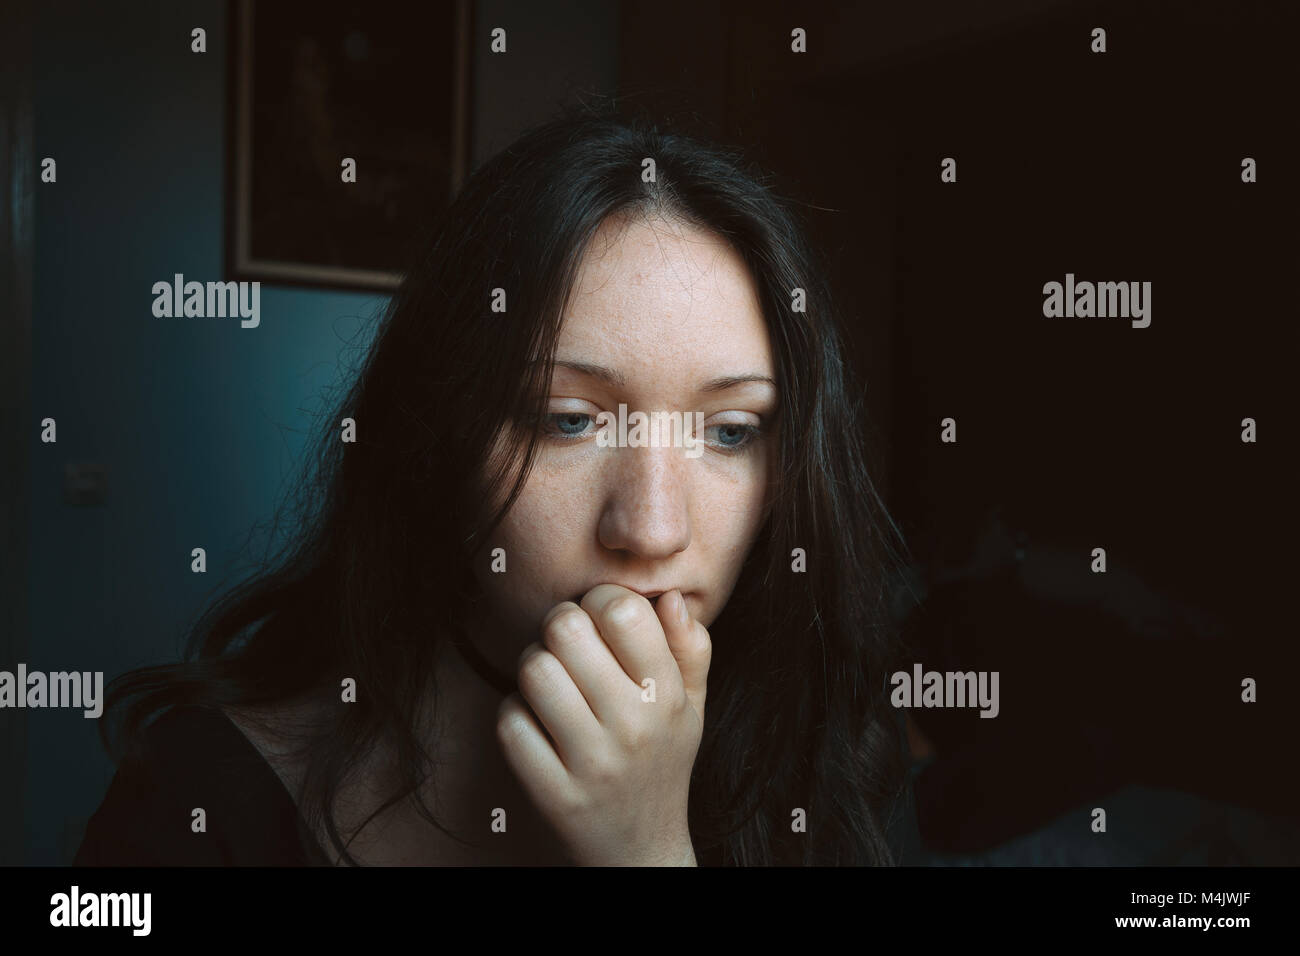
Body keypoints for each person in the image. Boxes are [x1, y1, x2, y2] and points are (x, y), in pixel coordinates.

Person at [77, 106, 914, 866]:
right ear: (438, 440)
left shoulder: (824, 770)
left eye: (729, 432)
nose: (653, 531)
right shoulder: (201, 805)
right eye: (570, 421)